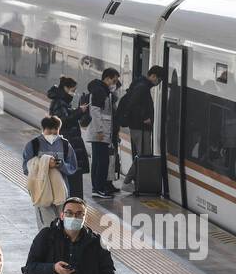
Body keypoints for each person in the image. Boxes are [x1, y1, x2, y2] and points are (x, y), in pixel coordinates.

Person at [21, 117, 79, 226]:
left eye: (55, 130)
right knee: (47, 225)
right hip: (41, 189)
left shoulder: (65, 145)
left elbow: (72, 167)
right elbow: (26, 168)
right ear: (43, 129)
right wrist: (44, 164)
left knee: (62, 224)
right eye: (49, 130)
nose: (52, 133)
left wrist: (60, 164)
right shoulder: (33, 145)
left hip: (61, 191)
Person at [117, 65, 165, 187]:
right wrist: (145, 117)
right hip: (140, 127)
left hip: (139, 127)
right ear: (152, 75)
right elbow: (133, 104)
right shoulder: (142, 87)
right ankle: (128, 181)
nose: (158, 83)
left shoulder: (141, 85)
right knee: (143, 156)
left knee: (142, 155)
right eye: (158, 79)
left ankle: (135, 181)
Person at [47, 76, 90, 199]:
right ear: (65, 88)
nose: (73, 93)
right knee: (72, 178)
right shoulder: (59, 103)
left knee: (74, 176)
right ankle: (72, 204)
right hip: (67, 144)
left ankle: (74, 202)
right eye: (72, 89)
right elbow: (62, 121)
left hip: (70, 143)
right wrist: (79, 112)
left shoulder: (63, 102)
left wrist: (81, 111)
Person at [85, 67, 121, 198]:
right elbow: (95, 111)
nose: (114, 84)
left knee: (99, 161)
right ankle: (98, 188)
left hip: (103, 132)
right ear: (107, 78)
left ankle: (97, 187)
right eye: (114, 81)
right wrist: (100, 130)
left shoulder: (103, 90)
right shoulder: (100, 91)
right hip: (100, 133)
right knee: (102, 161)